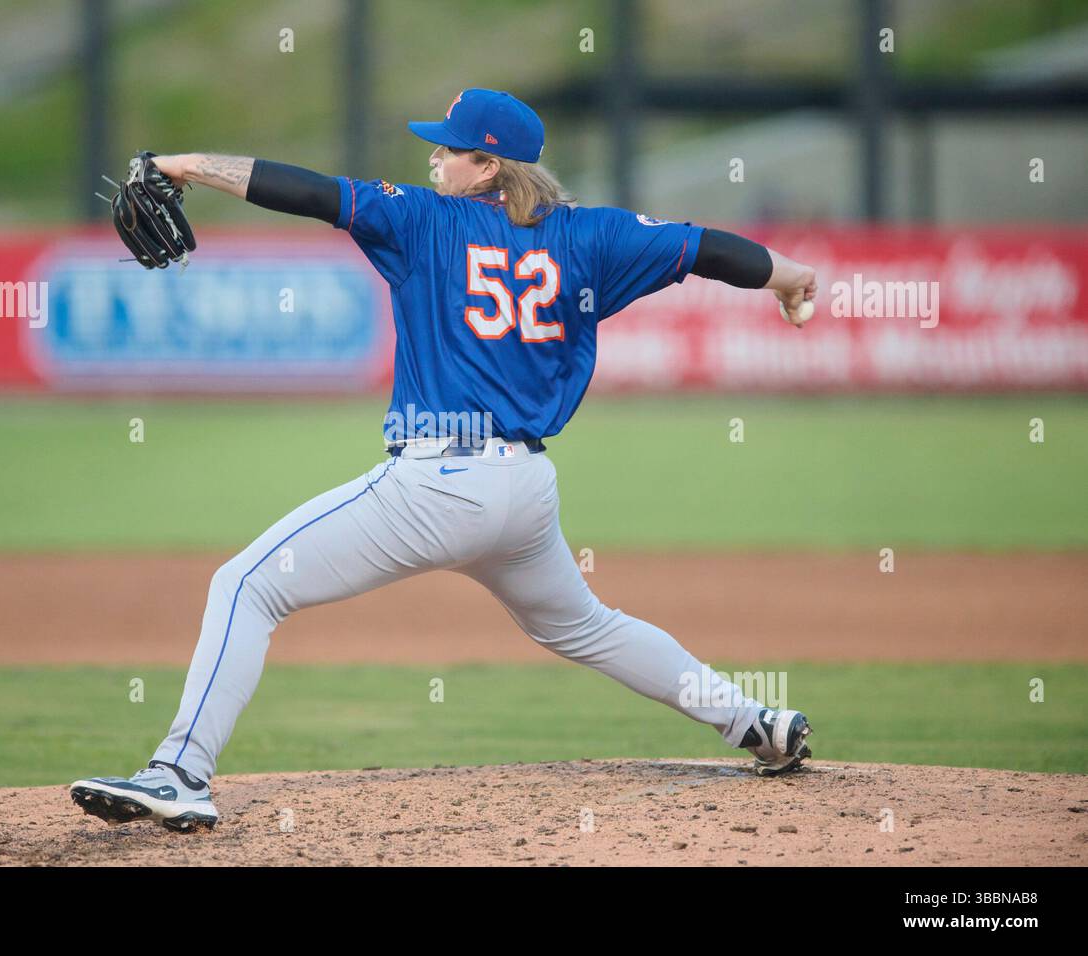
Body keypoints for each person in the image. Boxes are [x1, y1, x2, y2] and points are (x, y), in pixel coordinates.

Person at [71, 89, 818, 832]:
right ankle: (757, 724)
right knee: (587, 626)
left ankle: (180, 773)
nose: (432, 158)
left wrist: (181, 166)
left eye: (448, 149)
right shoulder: (595, 235)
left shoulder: (423, 219)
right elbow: (712, 250)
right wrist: (791, 280)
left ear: (487, 164)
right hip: (525, 489)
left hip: (438, 484)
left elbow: (304, 190)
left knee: (246, 586)